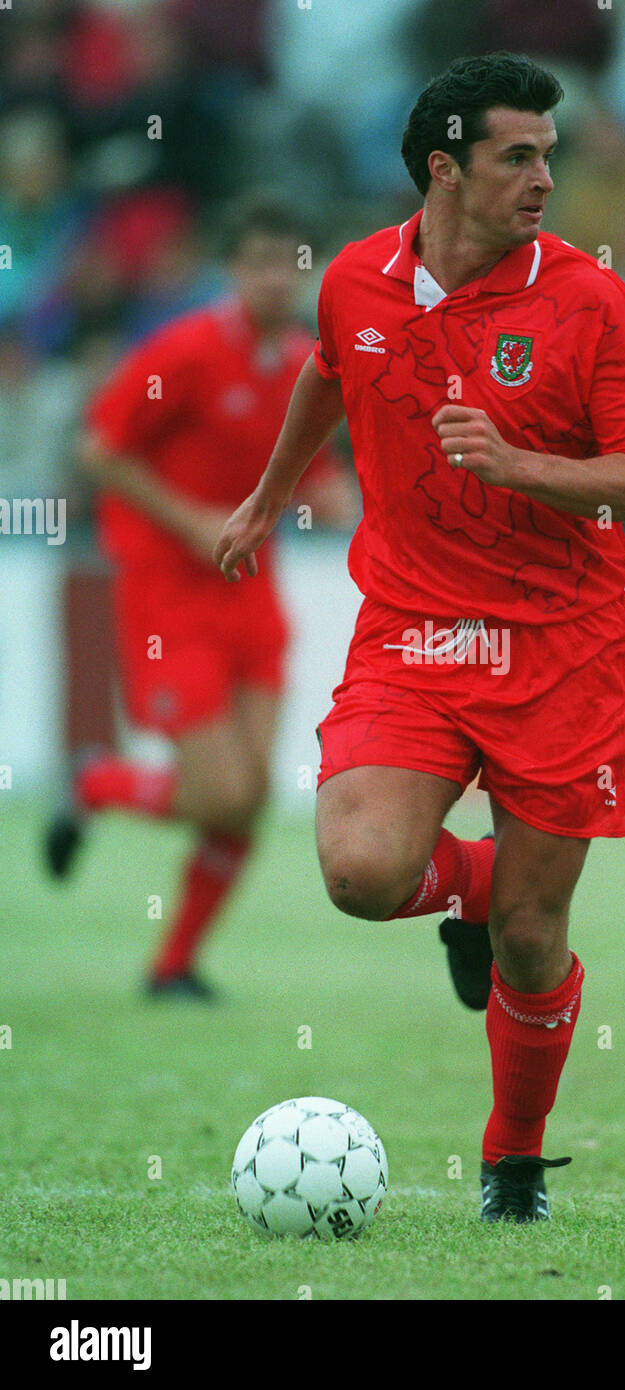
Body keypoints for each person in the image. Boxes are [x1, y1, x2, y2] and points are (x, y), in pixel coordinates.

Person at [214, 53, 625, 1220]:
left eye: (550, 155)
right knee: (360, 870)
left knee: (537, 942)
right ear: (445, 166)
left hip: (561, 645)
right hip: (417, 628)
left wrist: (519, 464)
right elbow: (331, 373)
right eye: (517, 156)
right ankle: (472, 888)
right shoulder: (353, 279)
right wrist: (268, 490)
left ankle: (514, 1160)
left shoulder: (588, 299)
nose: (545, 177)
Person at [45, 195, 356, 999]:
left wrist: (339, 500)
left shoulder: (300, 363)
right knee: (220, 790)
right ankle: (96, 783)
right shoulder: (182, 353)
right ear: (231, 270)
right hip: (168, 599)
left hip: (253, 595)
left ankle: (174, 965)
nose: (276, 283)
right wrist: (188, 518)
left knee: (248, 801)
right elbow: (100, 447)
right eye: (260, 265)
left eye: (291, 268)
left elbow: (311, 470)